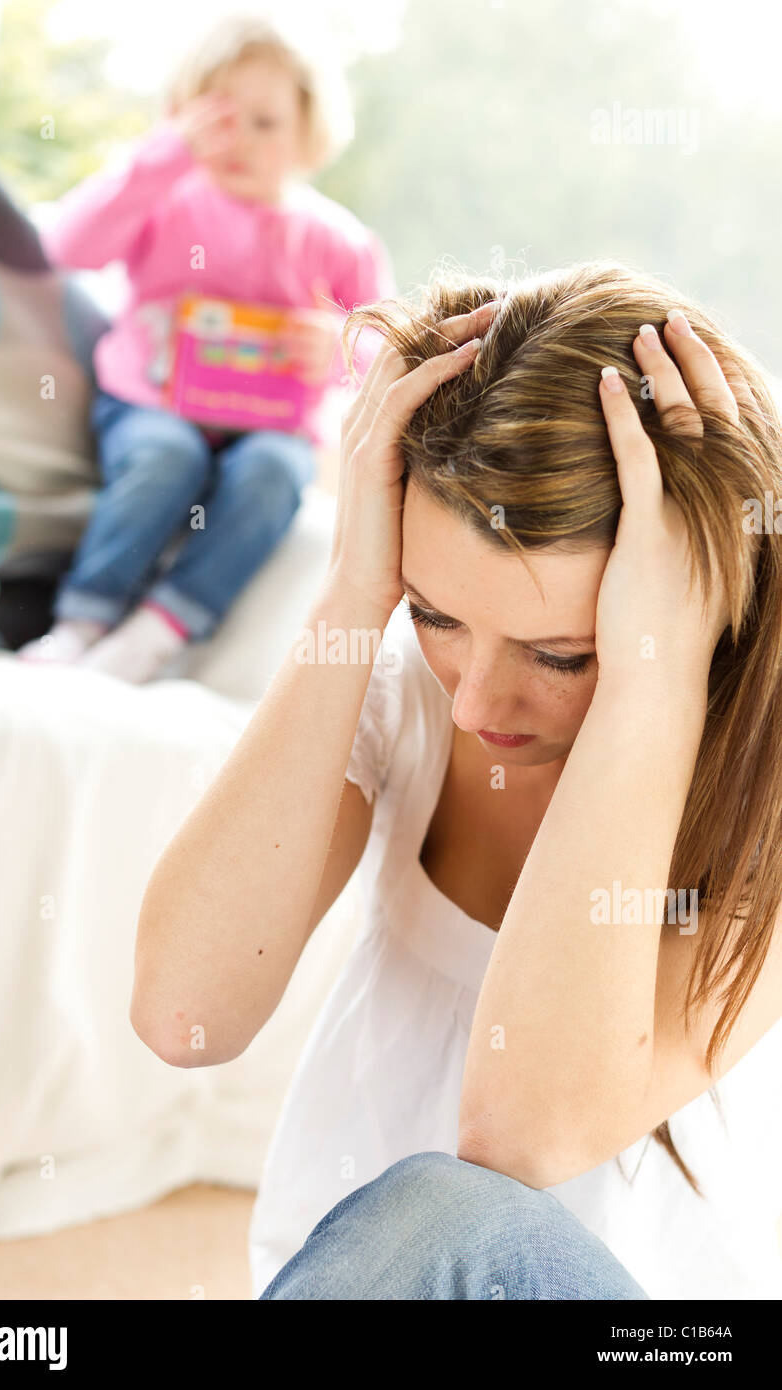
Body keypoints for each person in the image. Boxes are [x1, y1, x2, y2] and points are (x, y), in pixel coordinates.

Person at [130, 260, 782, 1299]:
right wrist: (355, 590)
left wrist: (650, 685)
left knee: (449, 1207)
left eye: (559, 655)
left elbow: (520, 1143)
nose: (475, 704)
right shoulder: (408, 693)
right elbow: (183, 1014)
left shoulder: (762, 784)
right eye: (435, 614)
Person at [20, 14, 394, 682]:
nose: (238, 140)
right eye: (218, 117)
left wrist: (343, 348)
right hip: (152, 407)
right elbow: (66, 248)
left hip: (268, 426)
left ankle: (160, 628)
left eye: (264, 122)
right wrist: (160, 158)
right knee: (166, 454)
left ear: (307, 128)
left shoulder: (337, 239)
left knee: (277, 470)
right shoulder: (163, 201)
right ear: (183, 116)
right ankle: (83, 619)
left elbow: (388, 344)